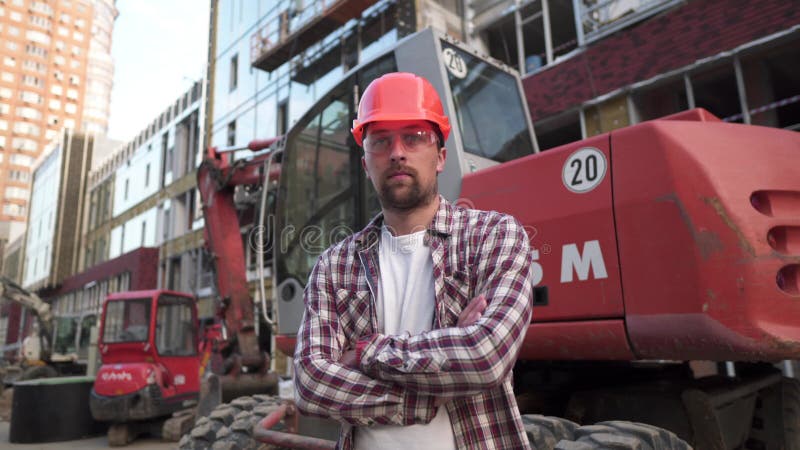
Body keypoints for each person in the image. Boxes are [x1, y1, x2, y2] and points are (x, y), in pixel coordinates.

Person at [293, 72, 535, 449]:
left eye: (414, 136)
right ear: (365, 163)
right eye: (381, 141)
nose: (397, 152)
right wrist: (422, 392)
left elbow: (486, 354)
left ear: (440, 157)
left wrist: (363, 353)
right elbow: (310, 382)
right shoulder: (335, 266)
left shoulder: (493, 236)